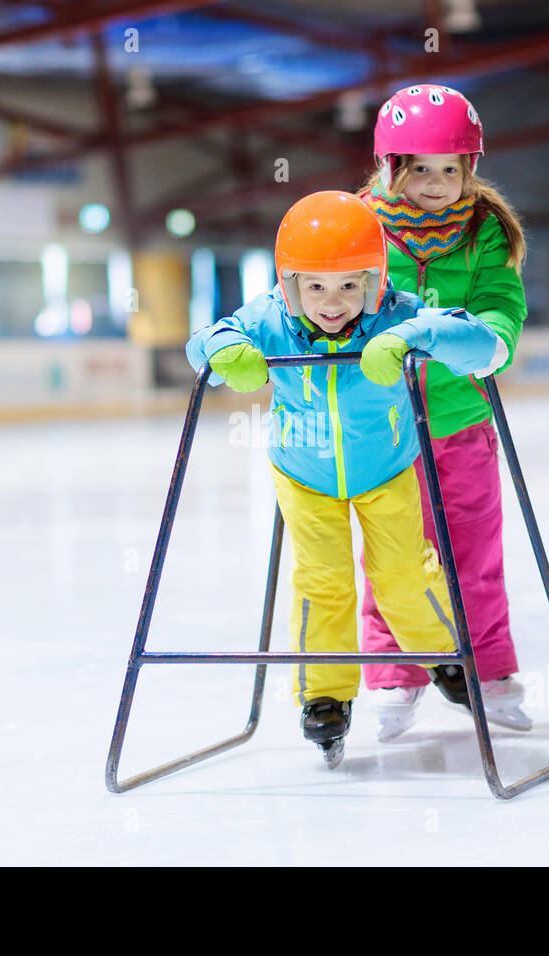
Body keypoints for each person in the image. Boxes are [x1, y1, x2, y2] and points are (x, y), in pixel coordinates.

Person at [185, 190, 505, 767]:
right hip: (304, 474)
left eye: (349, 286)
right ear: (290, 285)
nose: (333, 304)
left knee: (404, 572)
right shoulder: (268, 318)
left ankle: (444, 655)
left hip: (384, 469)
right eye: (316, 287)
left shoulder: (397, 313)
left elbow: (482, 345)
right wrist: (226, 348)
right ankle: (325, 695)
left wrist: (411, 337)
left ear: (374, 280)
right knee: (323, 580)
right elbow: (202, 341)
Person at [357, 84, 533, 742]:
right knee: (394, 556)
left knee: (474, 554)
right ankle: (394, 674)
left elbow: (500, 299)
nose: (436, 184)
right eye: (421, 170)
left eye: (451, 170)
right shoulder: (361, 226)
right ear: (392, 167)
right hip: (384, 427)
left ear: (470, 171)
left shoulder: (483, 230)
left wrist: (491, 338)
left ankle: (489, 672)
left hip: (461, 423)